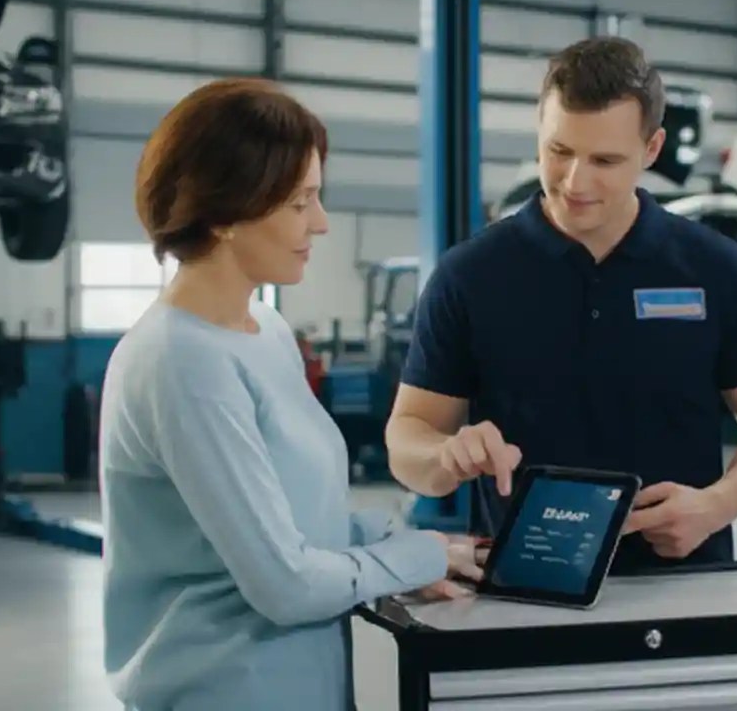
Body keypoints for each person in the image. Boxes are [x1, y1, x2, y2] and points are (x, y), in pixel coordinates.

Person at [97, 78, 481, 711]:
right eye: (301, 202)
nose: (322, 223)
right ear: (224, 214)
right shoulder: (181, 361)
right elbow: (286, 585)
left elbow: (304, 518)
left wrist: (416, 550)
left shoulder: (267, 331)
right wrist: (415, 556)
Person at [384, 37, 737, 573]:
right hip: (525, 589)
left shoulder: (715, 270)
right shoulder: (471, 276)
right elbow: (408, 436)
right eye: (559, 152)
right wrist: (443, 456)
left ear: (652, 150)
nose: (576, 182)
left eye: (605, 160)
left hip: (685, 587)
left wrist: (716, 506)